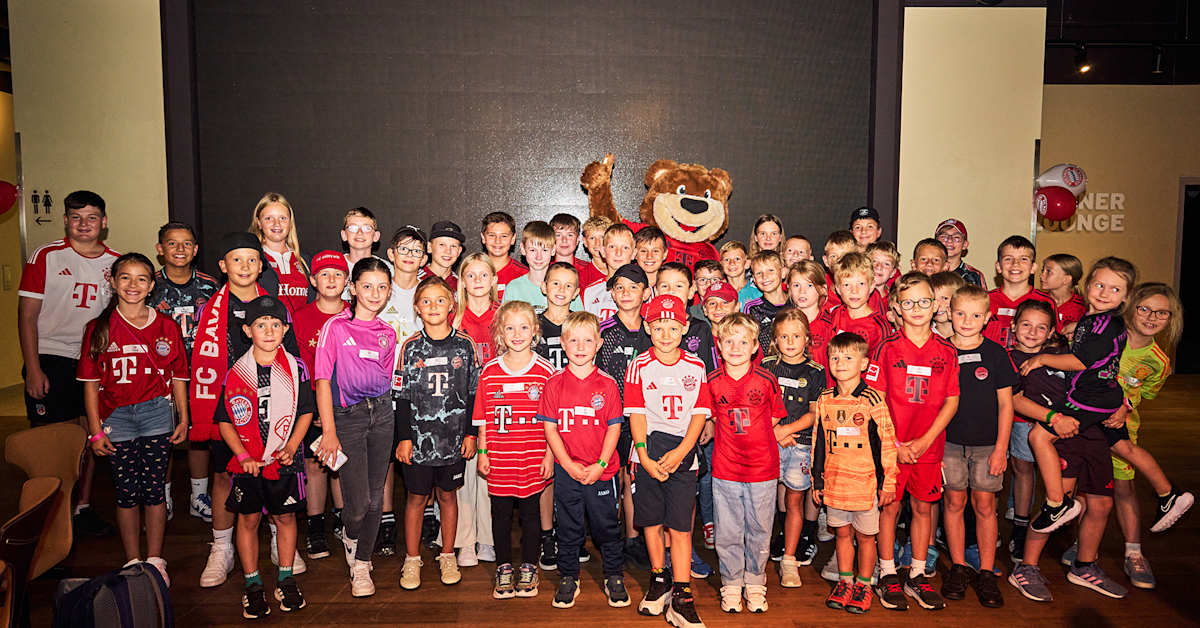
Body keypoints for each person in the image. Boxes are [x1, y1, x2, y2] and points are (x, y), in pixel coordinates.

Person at [193, 232, 306, 588]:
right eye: (236, 259)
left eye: (251, 259)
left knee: (276, 470)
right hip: (229, 406)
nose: (244, 266)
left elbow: (293, 358)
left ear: (261, 266)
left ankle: (277, 539)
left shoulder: (274, 307)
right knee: (225, 475)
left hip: (274, 406)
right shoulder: (211, 309)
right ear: (223, 266)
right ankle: (221, 547)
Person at [79, 252, 189, 586]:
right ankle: (132, 560)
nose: (133, 285)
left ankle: (155, 559)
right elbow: (90, 383)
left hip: (156, 412)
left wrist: (183, 417)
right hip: (117, 416)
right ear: (113, 282)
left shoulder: (166, 325)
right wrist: (95, 431)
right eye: (125, 277)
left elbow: (178, 376)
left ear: (152, 285)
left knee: (154, 490)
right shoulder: (98, 328)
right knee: (126, 491)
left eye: (142, 278)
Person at [18, 190, 119, 537]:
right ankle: (46, 513)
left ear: (103, 222)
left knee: (91, 435)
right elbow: (27, 317)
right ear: (65, 221)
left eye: (91, 218)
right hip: (51, 356)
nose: (84, 224)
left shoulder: (115, 263)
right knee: (50, 441)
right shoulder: (45, 256)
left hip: (93, 361)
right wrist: (34, 368)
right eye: (76, 217)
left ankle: (82, 507)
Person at [1009, 329, 1127, 601]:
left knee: (1101, 503)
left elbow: (1108, 382)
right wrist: (1053, 417)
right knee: (1057, 504)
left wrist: (1123, 403)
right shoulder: (1040, 358)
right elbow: (1017, 399)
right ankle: (1026, 567)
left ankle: (1084, 566)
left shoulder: (1099, 352)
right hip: (1065, 432)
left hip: (1096, 432)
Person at [215, 296, 314, 618]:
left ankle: (286, 578)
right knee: (248, 519)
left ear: (285, 329)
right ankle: (253, 583)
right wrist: (242, 454)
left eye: (275, 324)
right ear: (248, 330)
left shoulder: (296, 368)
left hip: (285, 459)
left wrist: (292, 446)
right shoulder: (237, 372)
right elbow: (225, 420)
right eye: (261, 325)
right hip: (249, 461)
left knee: (285, 518)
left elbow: (306, 411)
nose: (269, 331)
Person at [866, 272, 960, 611]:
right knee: (890, 507)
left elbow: (952, 401)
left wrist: (923, 442)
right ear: (896, 308)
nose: (916, 308)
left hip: (928, 448)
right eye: (908, 303)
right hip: (892, 448)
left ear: (935, 306)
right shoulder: (886, 348)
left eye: (923, 301)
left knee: (923, 508)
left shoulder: (946, 351)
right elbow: (874, 400)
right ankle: (888, 572)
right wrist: (896, 445)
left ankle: (917, 573)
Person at [1021, 257, 1135, 535]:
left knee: (1039, 436)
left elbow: (1081, 362)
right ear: (1088, 285)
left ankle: (1057, 503)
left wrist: (1042, 358)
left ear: (1126, 296)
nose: (1105, 293)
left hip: (1090, 399)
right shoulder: (1094, 320)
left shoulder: (1104, 323)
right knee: (1122, 447)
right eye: (1099, 285)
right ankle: (1167, 492)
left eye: (1115, 289)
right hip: (1098, 397)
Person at [625, 294, 712, 628]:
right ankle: (659, 579)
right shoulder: (638, 365)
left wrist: (682, 452)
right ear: (648, 328)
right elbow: (637, 414)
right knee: (650, 521)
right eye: (658, 327)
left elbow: (699, 414)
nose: (665, 334)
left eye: (673, 328)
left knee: (680, 525)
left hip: (683, 454)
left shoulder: (696, 365)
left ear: (684, 328)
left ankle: (682, 592)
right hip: (647, 452)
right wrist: (644, 456)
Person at [313, 257, 398, 597]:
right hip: (347, 418)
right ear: (353, 288)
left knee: (377, 498)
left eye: (382, 287)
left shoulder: (388, 333)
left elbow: (385, 380)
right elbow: (322, 380)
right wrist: (329, 431)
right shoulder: (335, 327)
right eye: (367, 286)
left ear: (389, 292)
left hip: (383, 415)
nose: (375, 293)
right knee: (358, 503)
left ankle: (362, 564)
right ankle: (351, 535)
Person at [539, 311, 629, 609]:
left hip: (602, 472)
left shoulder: (607, 384)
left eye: (587, 341)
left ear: (598, 344)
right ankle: (569, 576)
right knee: (568, 527)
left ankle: (614, 575)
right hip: (568, 471)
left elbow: (614, 428)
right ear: (563, 344)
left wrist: (600, 464)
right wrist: (567, 464)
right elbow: (550, 429)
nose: (580, 347)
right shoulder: (554, 384)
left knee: (607, 527)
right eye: (573, 341)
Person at [394, 276, 480, 589]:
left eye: (440, 300)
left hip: (453, 440)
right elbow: (401, 397)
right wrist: (404, 437)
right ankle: (412, 558)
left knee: (447, 496)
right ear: (417, 307)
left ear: (451, 305)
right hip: (418, 442)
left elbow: (474, 394)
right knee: (416, 498)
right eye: (426, 301)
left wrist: (471, 433)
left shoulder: (465, 345)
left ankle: (447, 554)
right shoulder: (410, 347)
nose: (433, 306)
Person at [1108, 283, 1192, 588]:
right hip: (1086, 424)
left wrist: (1126, 406)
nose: (1152, 317)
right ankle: (1081, 545)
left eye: (1161, 313)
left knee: (1123, 487)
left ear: (1171, 319)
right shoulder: (1108, 338)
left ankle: (1134, 553)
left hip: (1123, 428)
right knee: (1086, 488)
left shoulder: (1158, 361)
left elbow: (1144, 394)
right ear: (1131, 307)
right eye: (1145, 309)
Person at [940, 285, 1015, 608]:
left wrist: (1001, 448)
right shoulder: (942, 350)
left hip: (987, 446)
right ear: (949, 314)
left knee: (984, 505)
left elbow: (1007, 405)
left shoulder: (996, 354)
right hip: (949, 443)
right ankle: (958, 566)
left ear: (987, 318)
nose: (966, 321)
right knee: (954, 501)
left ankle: (985, 571)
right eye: (960, 313)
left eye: (974, 315)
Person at [812, 332, 898, 615]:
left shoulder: (871, 399)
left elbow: (887, 442)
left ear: (863, 364)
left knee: (865, 537)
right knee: (842, 534)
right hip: (836, 484)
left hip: (865, 485)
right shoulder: (825, 399)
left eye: (848, 358)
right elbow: (819, 443)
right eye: (835, 357)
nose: (840, 363)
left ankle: (864, 584)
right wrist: (817, 480)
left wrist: (888, 482)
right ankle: (845, 581)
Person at [475, 301, 556, 599]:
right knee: (501, 514)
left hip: (533, 456)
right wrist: (483, 452)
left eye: (524, 327)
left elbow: (553, 421)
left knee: (531, 514)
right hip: (500, 457)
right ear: (500, 332)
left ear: (535, 331)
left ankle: (529, 567)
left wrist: (549, 455)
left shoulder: (546, 371)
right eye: (510, 328)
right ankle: (504, 567)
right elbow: (482, 418)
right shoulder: (489, 371)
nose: (517, 334)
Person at [708, 314, 787, 614]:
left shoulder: (766, 380)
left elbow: (776, 415)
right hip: (726, 468)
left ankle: (755, 581)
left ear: (755, 347)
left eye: (743, 342)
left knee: (759, 529)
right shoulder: (713, 381)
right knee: (728, 530)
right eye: (729, 341)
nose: (735, 348)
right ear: (719, 345)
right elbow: (710, 416)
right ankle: (731, 583)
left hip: (762, 469)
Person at [149, 221, 220, 522]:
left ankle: (198, 495)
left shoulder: (209, 285)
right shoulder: (150, 285)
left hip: (201, 372)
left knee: (198, 433)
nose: (180, 249)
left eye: (187, 243)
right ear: (160, 249)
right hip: (161, 376)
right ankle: (163, 497)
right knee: (164, 435)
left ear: (196, 249)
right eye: (172, 243)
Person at [291, 251, 350, 560]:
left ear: (347, 281)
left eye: (338, 274)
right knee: (315, 465)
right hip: (314, 402)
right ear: (313, 280)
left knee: (340, 463)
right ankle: (315, 527)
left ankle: (342, 519)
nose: (331, 280)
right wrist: (311, 407)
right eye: (324, 274)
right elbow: (297, 367)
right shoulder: (301, 317)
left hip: (348, 401)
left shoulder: (354, 313)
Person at [378, 226, 431, 555]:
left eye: (417, 251)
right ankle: (386, 518)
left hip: (422, 390)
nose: (410, 256)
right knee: (386, 455)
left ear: (424, 258)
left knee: (423, 451)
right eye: (404, 249)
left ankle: (428, 514)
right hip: (383, 387)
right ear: (391, 253)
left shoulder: (429, 290)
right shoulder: (381, 289)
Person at [594, 263, 651, 569]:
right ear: (612, 294)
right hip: (609, 418)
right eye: (620, 288)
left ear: (646, 292)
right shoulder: (603, 332)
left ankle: (632, 538)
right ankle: (608, 536)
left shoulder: (653, 330)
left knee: (634, 478)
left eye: (633, 287)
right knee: (611, 476)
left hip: (644, 418)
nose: (626, 293)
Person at [762, 309, 825, 584]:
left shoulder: (816, 372)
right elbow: (758, 405)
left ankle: (790, 559)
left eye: (796, 336)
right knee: (764, 501)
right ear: (775, 339)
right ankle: (760, 554)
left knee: (794, 500)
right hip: (768, 441)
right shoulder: (767, 366)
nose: (790, 342)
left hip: (800, 444)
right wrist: (774, 432)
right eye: (784, 336)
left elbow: (814, 413)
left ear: (807, 339)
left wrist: (785, 430)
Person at [451, 252, 500, 564]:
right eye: (471, 275)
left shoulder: (502, 315)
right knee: (464, 474)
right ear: (462, 281)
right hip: (461, 405)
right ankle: (464, 540)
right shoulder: (454, 317)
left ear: (494, 279)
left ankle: (488, 539)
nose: (478, 281)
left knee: (489, 472)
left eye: (484, 275)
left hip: (496, 404)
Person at [1005, 301, 1058, 564]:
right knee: (1023, 471)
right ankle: (1020, 525)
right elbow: (1014, 399)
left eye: (1041, 327)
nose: (1033, 332)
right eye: (1026, 324)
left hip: (1054, 426)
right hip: (1020, 423)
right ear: (1013, 326)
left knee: (1055, 476)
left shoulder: (1059, 357)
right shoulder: (1007, 358)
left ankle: (1050, 519)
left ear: (1050, 333)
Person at [809, 253, 891, 372]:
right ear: (837, 288)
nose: (854, 291)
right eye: (847, 284)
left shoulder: (879, 327)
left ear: (872, 286)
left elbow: (882, 370)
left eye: (861, 284)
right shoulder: (834, 315)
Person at [984, 235, 1057, 347]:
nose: (1015, 264)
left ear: (1033, 267)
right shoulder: (984, 300)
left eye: (1023, 259)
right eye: (1008, 259)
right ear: (998, 267)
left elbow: (1054, 342)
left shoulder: (1046, 302)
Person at [250, 193, 312, 316]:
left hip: (302, 328)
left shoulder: (305, 261)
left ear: (290, 222)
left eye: (283, 218)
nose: (276, 224)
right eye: (269, 218)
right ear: (259, 223)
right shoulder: (252, 260)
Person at [503, 221, 583, 311]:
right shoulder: (514, 288)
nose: (538, 257)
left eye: (544, 250)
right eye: (532, 250)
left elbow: (580, 318)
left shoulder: (565, 287)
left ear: (553, 250)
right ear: (523, 249)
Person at [582, 223, 635, 320]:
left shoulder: (643, 290)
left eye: (625, 248)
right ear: (603, 251)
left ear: (634, 253)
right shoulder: (591, 291)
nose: (618, 253)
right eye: (612, 247)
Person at [535, 262, 582, 371]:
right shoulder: (533, 325)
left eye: (568, 286)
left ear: (575, 293)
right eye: (556, 283)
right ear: (544, 287)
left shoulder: (581, 326)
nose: (562, 289)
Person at [742, 251, 791, 354]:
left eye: (771, 270)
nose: (765, 276)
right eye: (759, 273)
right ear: (754, 279)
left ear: (783, 273)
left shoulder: (795, 303)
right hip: (766, 362)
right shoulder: (752, 308)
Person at [340, 207, 393, 301]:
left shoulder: (387, 269)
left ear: (376, 236)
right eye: (353, 228)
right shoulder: (334, 266)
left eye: (367, 228)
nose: (359, 233)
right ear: (344, 235)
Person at [481, 212, 528, 301]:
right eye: (492, 235)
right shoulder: (472, 271)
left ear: (513, 239)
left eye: (504, 236)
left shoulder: (524, 275)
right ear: (483, 238)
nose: (497, 241)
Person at [1040, 253, 1086, 336]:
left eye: (1048, 271)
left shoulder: (1082, 307)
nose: (1041, 275)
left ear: (1066, 279)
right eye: (1042, 270)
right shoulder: (1037, 300)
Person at [934, 219, 987, 288]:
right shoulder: (929, 270)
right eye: (944, 237)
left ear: (965, 244)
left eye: (956, 237)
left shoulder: (974, 276)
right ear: (935, 242)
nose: (949, 240)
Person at [422, 220, 464, 291]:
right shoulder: (415, 279)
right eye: (442, 244)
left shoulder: (461, 286)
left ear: (459, 251)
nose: (448, 251)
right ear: (429, 247)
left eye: (453, 246)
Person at [786, 260, 827, 326]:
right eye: (796, 285)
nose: (802, 291)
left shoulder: (832, 323)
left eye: (809, 285)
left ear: (822, 289)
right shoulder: (783, 322)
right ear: (789, 287)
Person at [930, 272, 966, 338]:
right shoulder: (926, 336)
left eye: (945, 298)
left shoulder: (970, 331)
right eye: (934, 299)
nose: (938, 305)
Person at [580, 215, 614, 284]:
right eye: (592, 238)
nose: (597, 243)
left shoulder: (624, 267)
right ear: (585, 242)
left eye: (602, 237)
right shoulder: (582, 277)